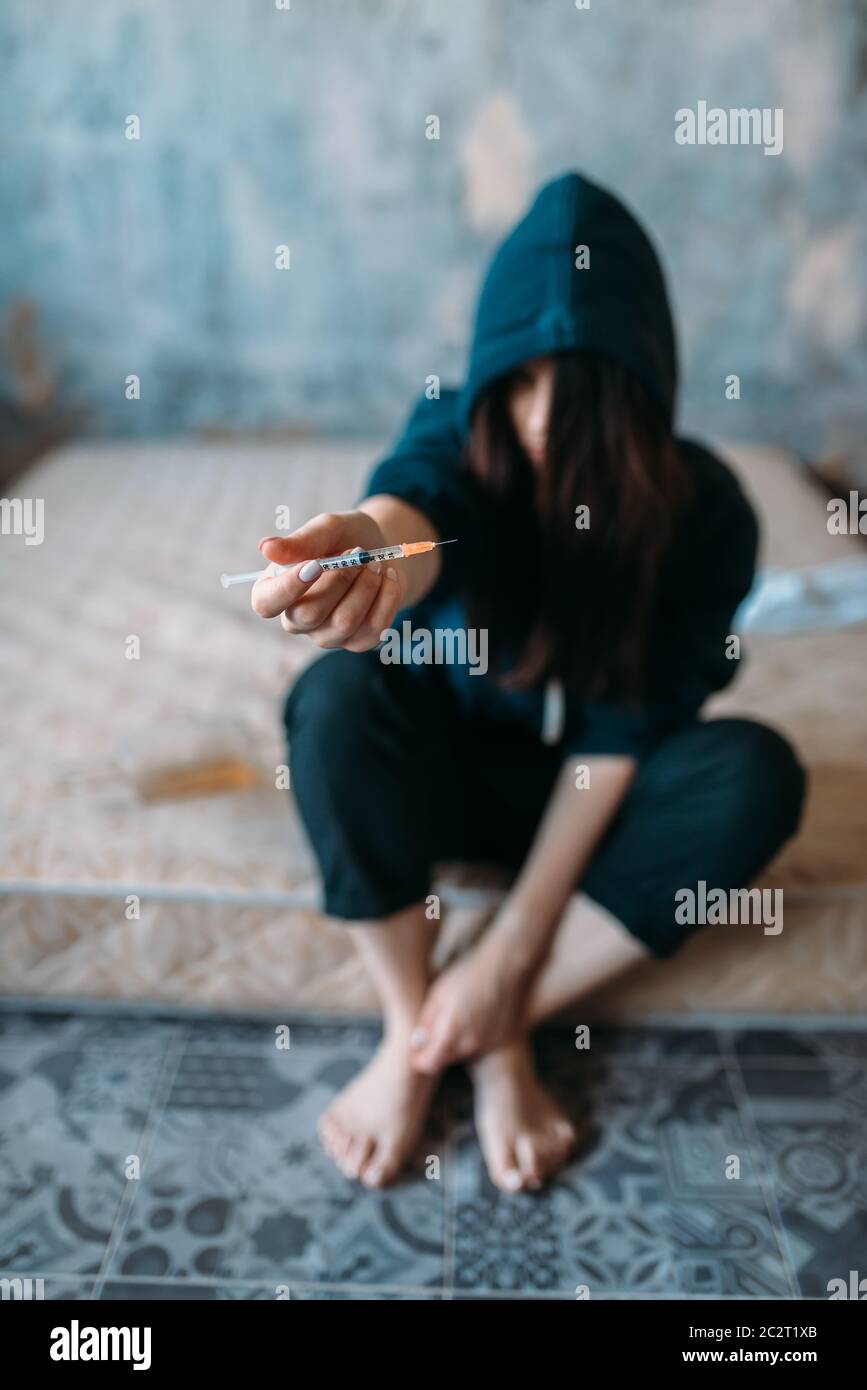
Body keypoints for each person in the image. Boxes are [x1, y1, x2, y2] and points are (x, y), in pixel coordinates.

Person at [251, 172, 806, 1195]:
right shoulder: (458, 432)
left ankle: (491, 1013)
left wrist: (509, 953)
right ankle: (416, 1031)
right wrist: (374, 546)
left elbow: (623, 732)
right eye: (518, 381)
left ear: (637, 388)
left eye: (573, 383)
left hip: (600, 803)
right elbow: (417, 507)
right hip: (447, 777)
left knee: (754, 774)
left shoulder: (708, 512)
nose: (540, 415)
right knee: (335, 699)